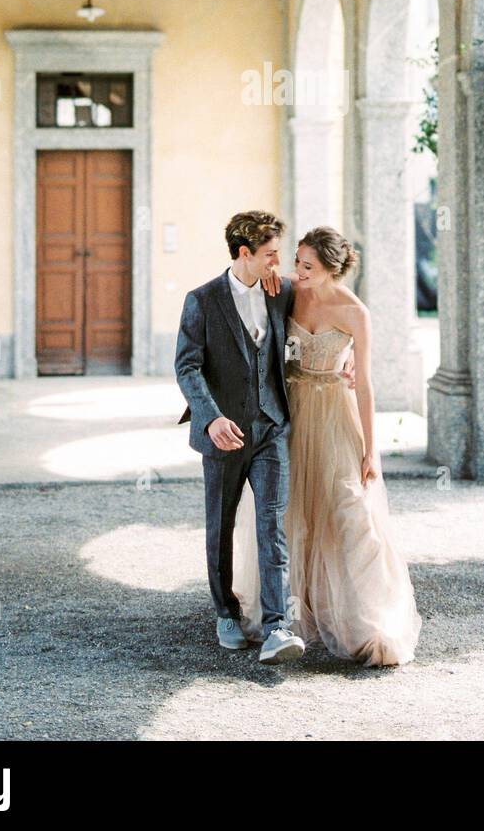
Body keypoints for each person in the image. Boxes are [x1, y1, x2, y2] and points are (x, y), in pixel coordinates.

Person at [232, 226, 422, 666]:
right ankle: (293, 613)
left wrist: (371, 450)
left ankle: (368, 619)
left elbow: (367, 384)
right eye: (296, 261)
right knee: (293, 508)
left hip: (336, 413)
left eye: (308, 265)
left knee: (349, 507)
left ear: (332, 268)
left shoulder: (355, 313)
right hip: (292, 413)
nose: (298, 270)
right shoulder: (285, 293)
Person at [173, 210, 355, 664]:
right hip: (223, 433)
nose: (281, 264)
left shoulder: (283, 293)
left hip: (273, 427)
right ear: (244, 253)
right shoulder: (202, 300)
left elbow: (327, 312)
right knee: (221, 523)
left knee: (273, 523)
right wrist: (211, 418)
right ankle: (225, 612)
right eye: (271, 255)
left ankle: (277, 626)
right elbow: (187, 366)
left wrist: (347, 357)